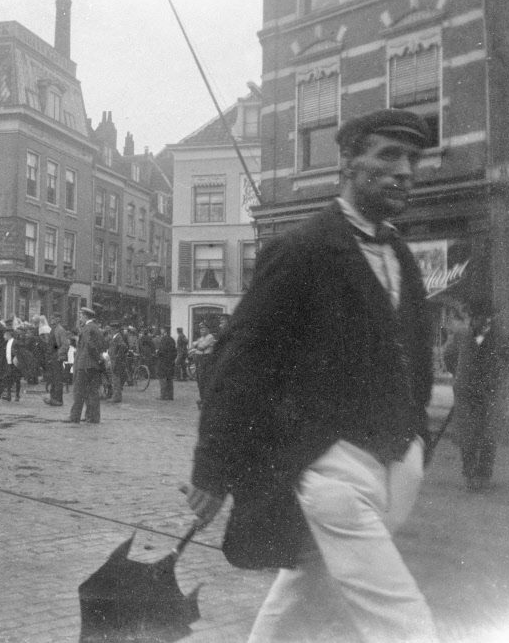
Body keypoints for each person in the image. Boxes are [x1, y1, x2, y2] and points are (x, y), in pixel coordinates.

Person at [184, 109, 438, 642]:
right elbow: (242, 362)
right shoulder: (300, 249)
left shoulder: (400, 255)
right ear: (347, 161)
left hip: (395, 463)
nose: (404, 171)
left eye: (412, 158)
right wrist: (213, 469)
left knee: (303, 595)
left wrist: (416, 441)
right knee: (400, 616)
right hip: (332, 468)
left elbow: (410, 357)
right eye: (387, 155)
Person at [446, 305, 499, 491]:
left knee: (487, 435)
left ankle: (483, 475)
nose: (483, 323)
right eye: (479, 319)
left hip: (485, 393)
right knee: (469, 436)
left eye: (486, 320)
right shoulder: (464, 336)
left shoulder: (493, 338)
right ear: (473, 319)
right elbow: (449, 354)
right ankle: (470, 474)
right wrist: (459, 376)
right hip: (467, 394)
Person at [66, 306, 105, 424]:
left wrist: (95, 358)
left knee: (79, 392)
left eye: (81, 316)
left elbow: (89, 345)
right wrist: (98, 359)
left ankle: (74, 417)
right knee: (93, 392)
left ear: (86, 316)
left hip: (85, 365)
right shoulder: (96, 328)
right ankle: (93, 417)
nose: (80, 318)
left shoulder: (87, 328)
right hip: (93, 366)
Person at [43, 315, 70, 406]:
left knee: (57, 379)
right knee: (53, 378)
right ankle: (53, 398)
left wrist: (57, 354)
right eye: (51, 318)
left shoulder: (60, 330)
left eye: (54, 318)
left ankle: (58, 400)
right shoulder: (53, 329)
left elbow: (65, 345)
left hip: (57, 357)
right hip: (52, 356)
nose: (52, 320)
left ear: (58, 319)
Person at [190, 322, 217, 399]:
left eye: (203, 329)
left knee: (204, 378)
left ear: (208, 329)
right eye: (200, 329)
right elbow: (193, 344)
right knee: (199, 379)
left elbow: (201, 347)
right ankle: (202, 397)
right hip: (200, 359)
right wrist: (196, 346)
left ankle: (206, 398)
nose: (201, 331)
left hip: (206, 358)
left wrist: (196, 346)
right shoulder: (202, 338)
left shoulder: (210, 337)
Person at [0, 327, 23, 401]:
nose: (4, 336)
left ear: (9, 335)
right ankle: (8, 395)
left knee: (17, 379)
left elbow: (19, 352)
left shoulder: (15, 342)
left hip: (15, 364)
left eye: (5, 335)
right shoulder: (6, 342)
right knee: (8, 379)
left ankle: (17, 395)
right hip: (8, 363)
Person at [108, 322, 128, 403]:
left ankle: (116, 397)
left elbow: (123, 346)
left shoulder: (118, 337)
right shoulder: (115, 337)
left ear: (115, 329)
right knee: (115, 378)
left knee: (116, 379)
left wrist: (117, 356)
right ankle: (116, 396)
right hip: (113, 360)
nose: (111, 331)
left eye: (112, 329)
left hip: (115, 361)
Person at [155, 325, 176, 401]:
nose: (161, 330)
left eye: (162, 329)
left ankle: (163, 395)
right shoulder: (172, 339)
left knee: (162, 378)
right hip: (170, 362)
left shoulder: (164, 339)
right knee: (169, 379)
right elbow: (174, 352)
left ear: (165, 331)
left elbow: (162, 351)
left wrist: (157, 352)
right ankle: (170, 396)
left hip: (163, 362)